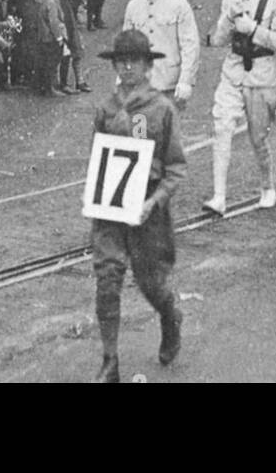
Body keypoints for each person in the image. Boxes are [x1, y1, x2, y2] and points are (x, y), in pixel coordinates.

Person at [89, 30, 186, 383]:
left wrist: (153, 202)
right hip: (111, 206)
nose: (128, 67)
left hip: (148, 208)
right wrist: (97, 197)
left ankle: (170, 314)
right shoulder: (106, 108)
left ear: (148, 66)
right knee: (107, 278)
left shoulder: (162, 109)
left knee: (151, 282)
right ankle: (110, 360)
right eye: (122, 61)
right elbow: (97, 157)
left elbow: (176, 168)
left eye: (135, 61)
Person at [204, 0, 276, 214]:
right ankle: (219, 196)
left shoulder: (275, 1)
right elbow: (218, 41)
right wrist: (228, 21)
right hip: (233, 70)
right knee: (222, 127)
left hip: (261, 73)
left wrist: (253, 29)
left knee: (258, 137)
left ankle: (268, 186)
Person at [121, 0, 199, 112]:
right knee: (139, 133)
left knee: (166, 135)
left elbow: (190, 46)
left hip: (168, 86)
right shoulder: (133, 6)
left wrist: (185, 81)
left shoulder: (178, 4)